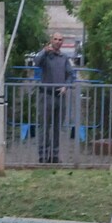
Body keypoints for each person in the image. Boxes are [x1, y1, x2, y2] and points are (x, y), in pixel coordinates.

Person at [30, 35, 75, 163]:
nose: (58, 42)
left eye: (60, 40)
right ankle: (43, 156)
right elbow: (36, 61)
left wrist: (66, 86)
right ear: (51, 40)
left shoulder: (64, 58)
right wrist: (45, 51)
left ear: (62, 42)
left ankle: (54, 155)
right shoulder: (45, 56)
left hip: (60, 97)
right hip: (46, 96)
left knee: (56, 127)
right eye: (55, 39)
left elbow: (71, 75)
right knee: (44, 127)